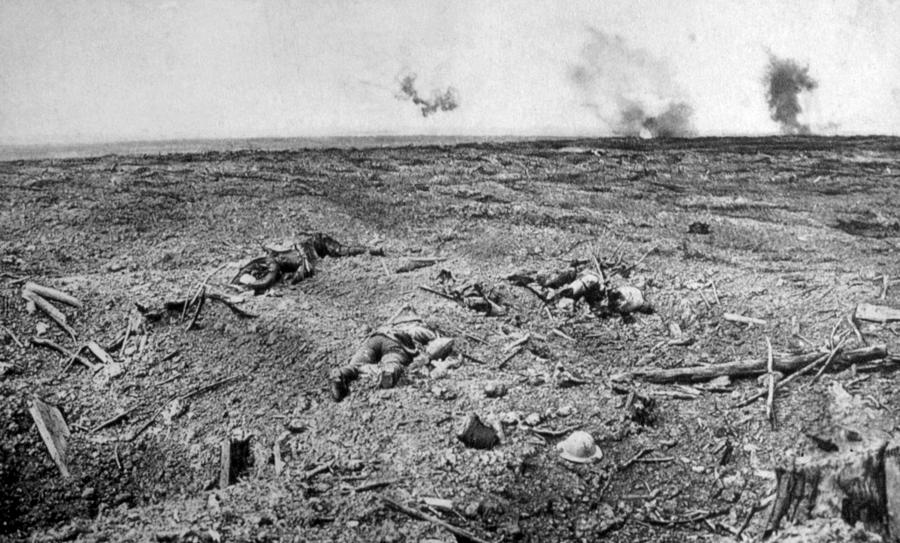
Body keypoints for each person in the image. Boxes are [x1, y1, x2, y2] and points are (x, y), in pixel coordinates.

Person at [329, 312, 450, 402]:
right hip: (394, 344)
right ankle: (389, 373)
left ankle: (341, 374)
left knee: (355, 365)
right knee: (393, 361)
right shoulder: (416, 328)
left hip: (375, 339)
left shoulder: (391, 323)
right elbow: (440, 343)